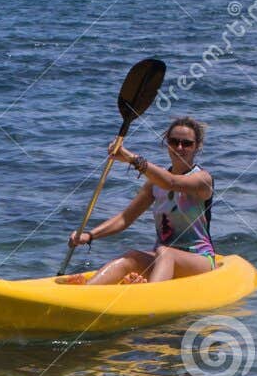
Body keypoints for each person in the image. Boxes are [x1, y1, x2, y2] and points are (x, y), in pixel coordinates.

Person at [66, 116, 216, 285]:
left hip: (199, 260)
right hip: (162, 259)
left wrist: (130, 157)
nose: (179, 147)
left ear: (197, 146)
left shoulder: (202, 179)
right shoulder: (155, 183)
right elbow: (125, 218)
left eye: (186, 143)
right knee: (130, 258)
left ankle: (148, 294)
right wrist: (89, 235)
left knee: (165, 252)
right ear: (167, 143)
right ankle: (87, 290)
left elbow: (172, 182)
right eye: (174, 142)